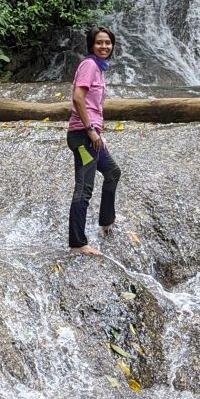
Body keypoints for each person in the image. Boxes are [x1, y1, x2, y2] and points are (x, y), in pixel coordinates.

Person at [67, 27, 120, 255]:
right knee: (84, 188)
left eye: (108, 43)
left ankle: (107, 219)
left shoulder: (98, 68)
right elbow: (78, 98)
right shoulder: (89, 65)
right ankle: (77, 243)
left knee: (112, 171)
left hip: (91, 135)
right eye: (99, 43)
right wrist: (90, 130)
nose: (104, 46)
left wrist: (98, 132)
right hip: (82, 137)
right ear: (91, 45)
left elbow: (92, 105)